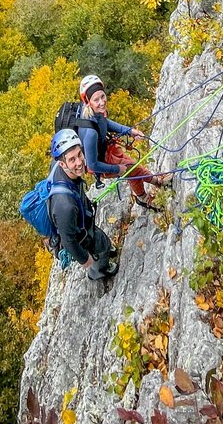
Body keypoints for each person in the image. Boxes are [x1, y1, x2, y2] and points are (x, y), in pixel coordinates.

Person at [78, 74, 170, 210]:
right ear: (88, 102)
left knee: (133, 169)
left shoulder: (96, 113)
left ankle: (148, 190)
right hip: (101, 163)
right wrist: (116, 169)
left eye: (103, 96)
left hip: (107, 151)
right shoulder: (90, 133)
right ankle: (149, 191)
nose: (102, 102)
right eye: (96, 100)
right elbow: (92, 165)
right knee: (133, 169)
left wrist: (130, 131)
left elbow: (106, 124)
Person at [48, 128, 117, 281]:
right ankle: (99, 271)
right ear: (62, 164)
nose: (79, 162)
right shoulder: (65, 205)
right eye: (72, 159)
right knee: (100, 244)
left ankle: (104, 250)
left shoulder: (59, 167)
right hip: (80, 232)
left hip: (80, 217)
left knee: (101, 239)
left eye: (79, 154)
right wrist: (85, 260)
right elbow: (68, 240)